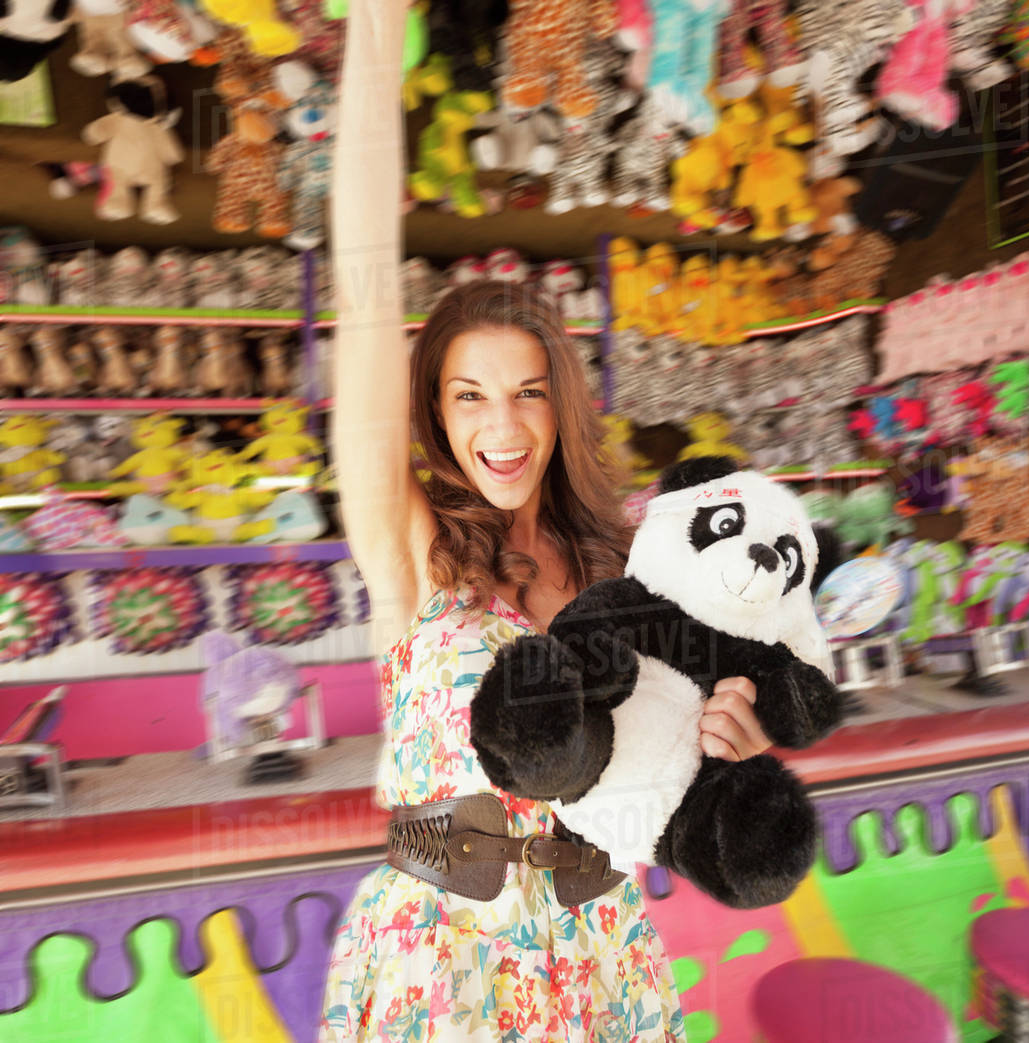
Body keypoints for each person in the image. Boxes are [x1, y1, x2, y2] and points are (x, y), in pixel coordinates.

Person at [321, 3, 774, 1038]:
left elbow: (678, 796)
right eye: (468, 394)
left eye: (528, 391)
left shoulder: (629, 570)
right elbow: (359, 297)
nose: (503, 424)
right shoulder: (414, 551)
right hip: (439, 965)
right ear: (433, 413)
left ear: (562, 403)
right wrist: (378, 35)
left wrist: (732, 757)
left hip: (601, 958)